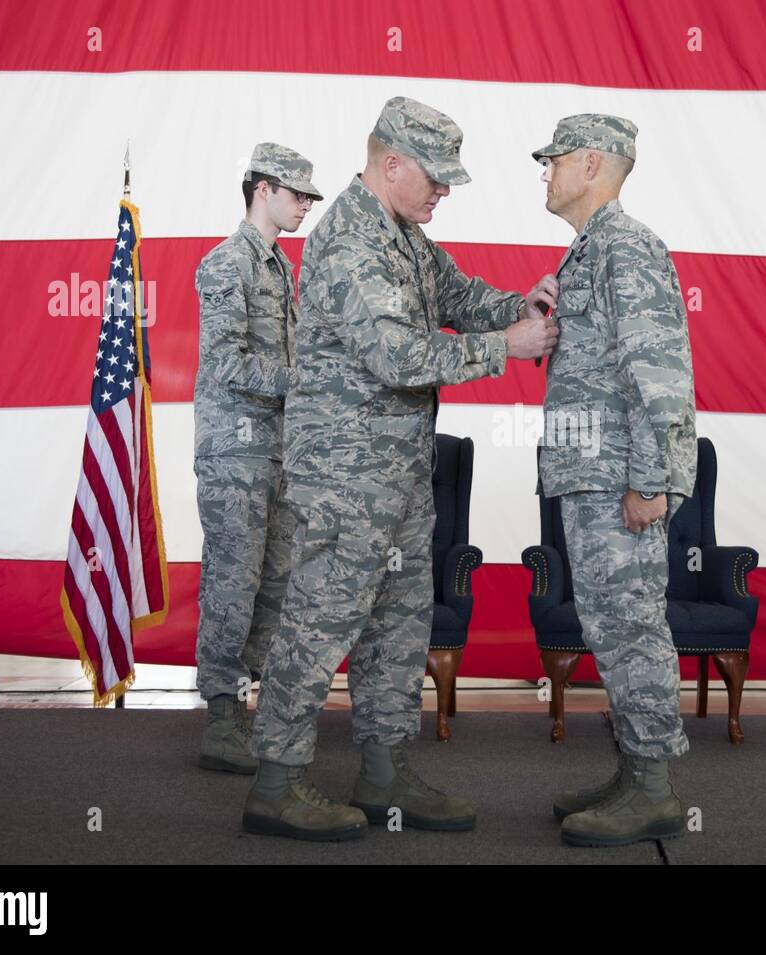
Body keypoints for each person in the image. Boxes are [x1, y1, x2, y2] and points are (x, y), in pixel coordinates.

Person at [243, 96, 559, 841]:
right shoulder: (351, 241)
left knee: (398, 623)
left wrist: (523, 303)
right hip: (345, 477)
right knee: (319, 623)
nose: (445, 190)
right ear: (392, 166)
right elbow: (400, 356)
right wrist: (506, 347)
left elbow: (459, 297)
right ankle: (276, 782)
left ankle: (383, 768)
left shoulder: (407, 238)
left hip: (400, 472)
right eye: (436, 176)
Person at [533, 115, 698, 847]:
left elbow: (656, 374)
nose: (546, 172)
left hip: (618, 479)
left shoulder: (626, 248)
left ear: (593, 163)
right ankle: (634, 771)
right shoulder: (591, 252)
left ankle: (656, 790)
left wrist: (648, 479)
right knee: (610, 626)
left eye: (555, 160)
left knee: (633, 630)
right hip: (592, 474)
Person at [193, 143, 322, 774]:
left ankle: (247, 702)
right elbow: (225, 363)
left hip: (276, 454)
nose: (304, 206)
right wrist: (306, 380)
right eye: (297, 194)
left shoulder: (279, 269)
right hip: (235, 455)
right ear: (264, 188)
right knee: (232, 583)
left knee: (274, 582)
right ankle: (221, 712)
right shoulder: (226, 265)